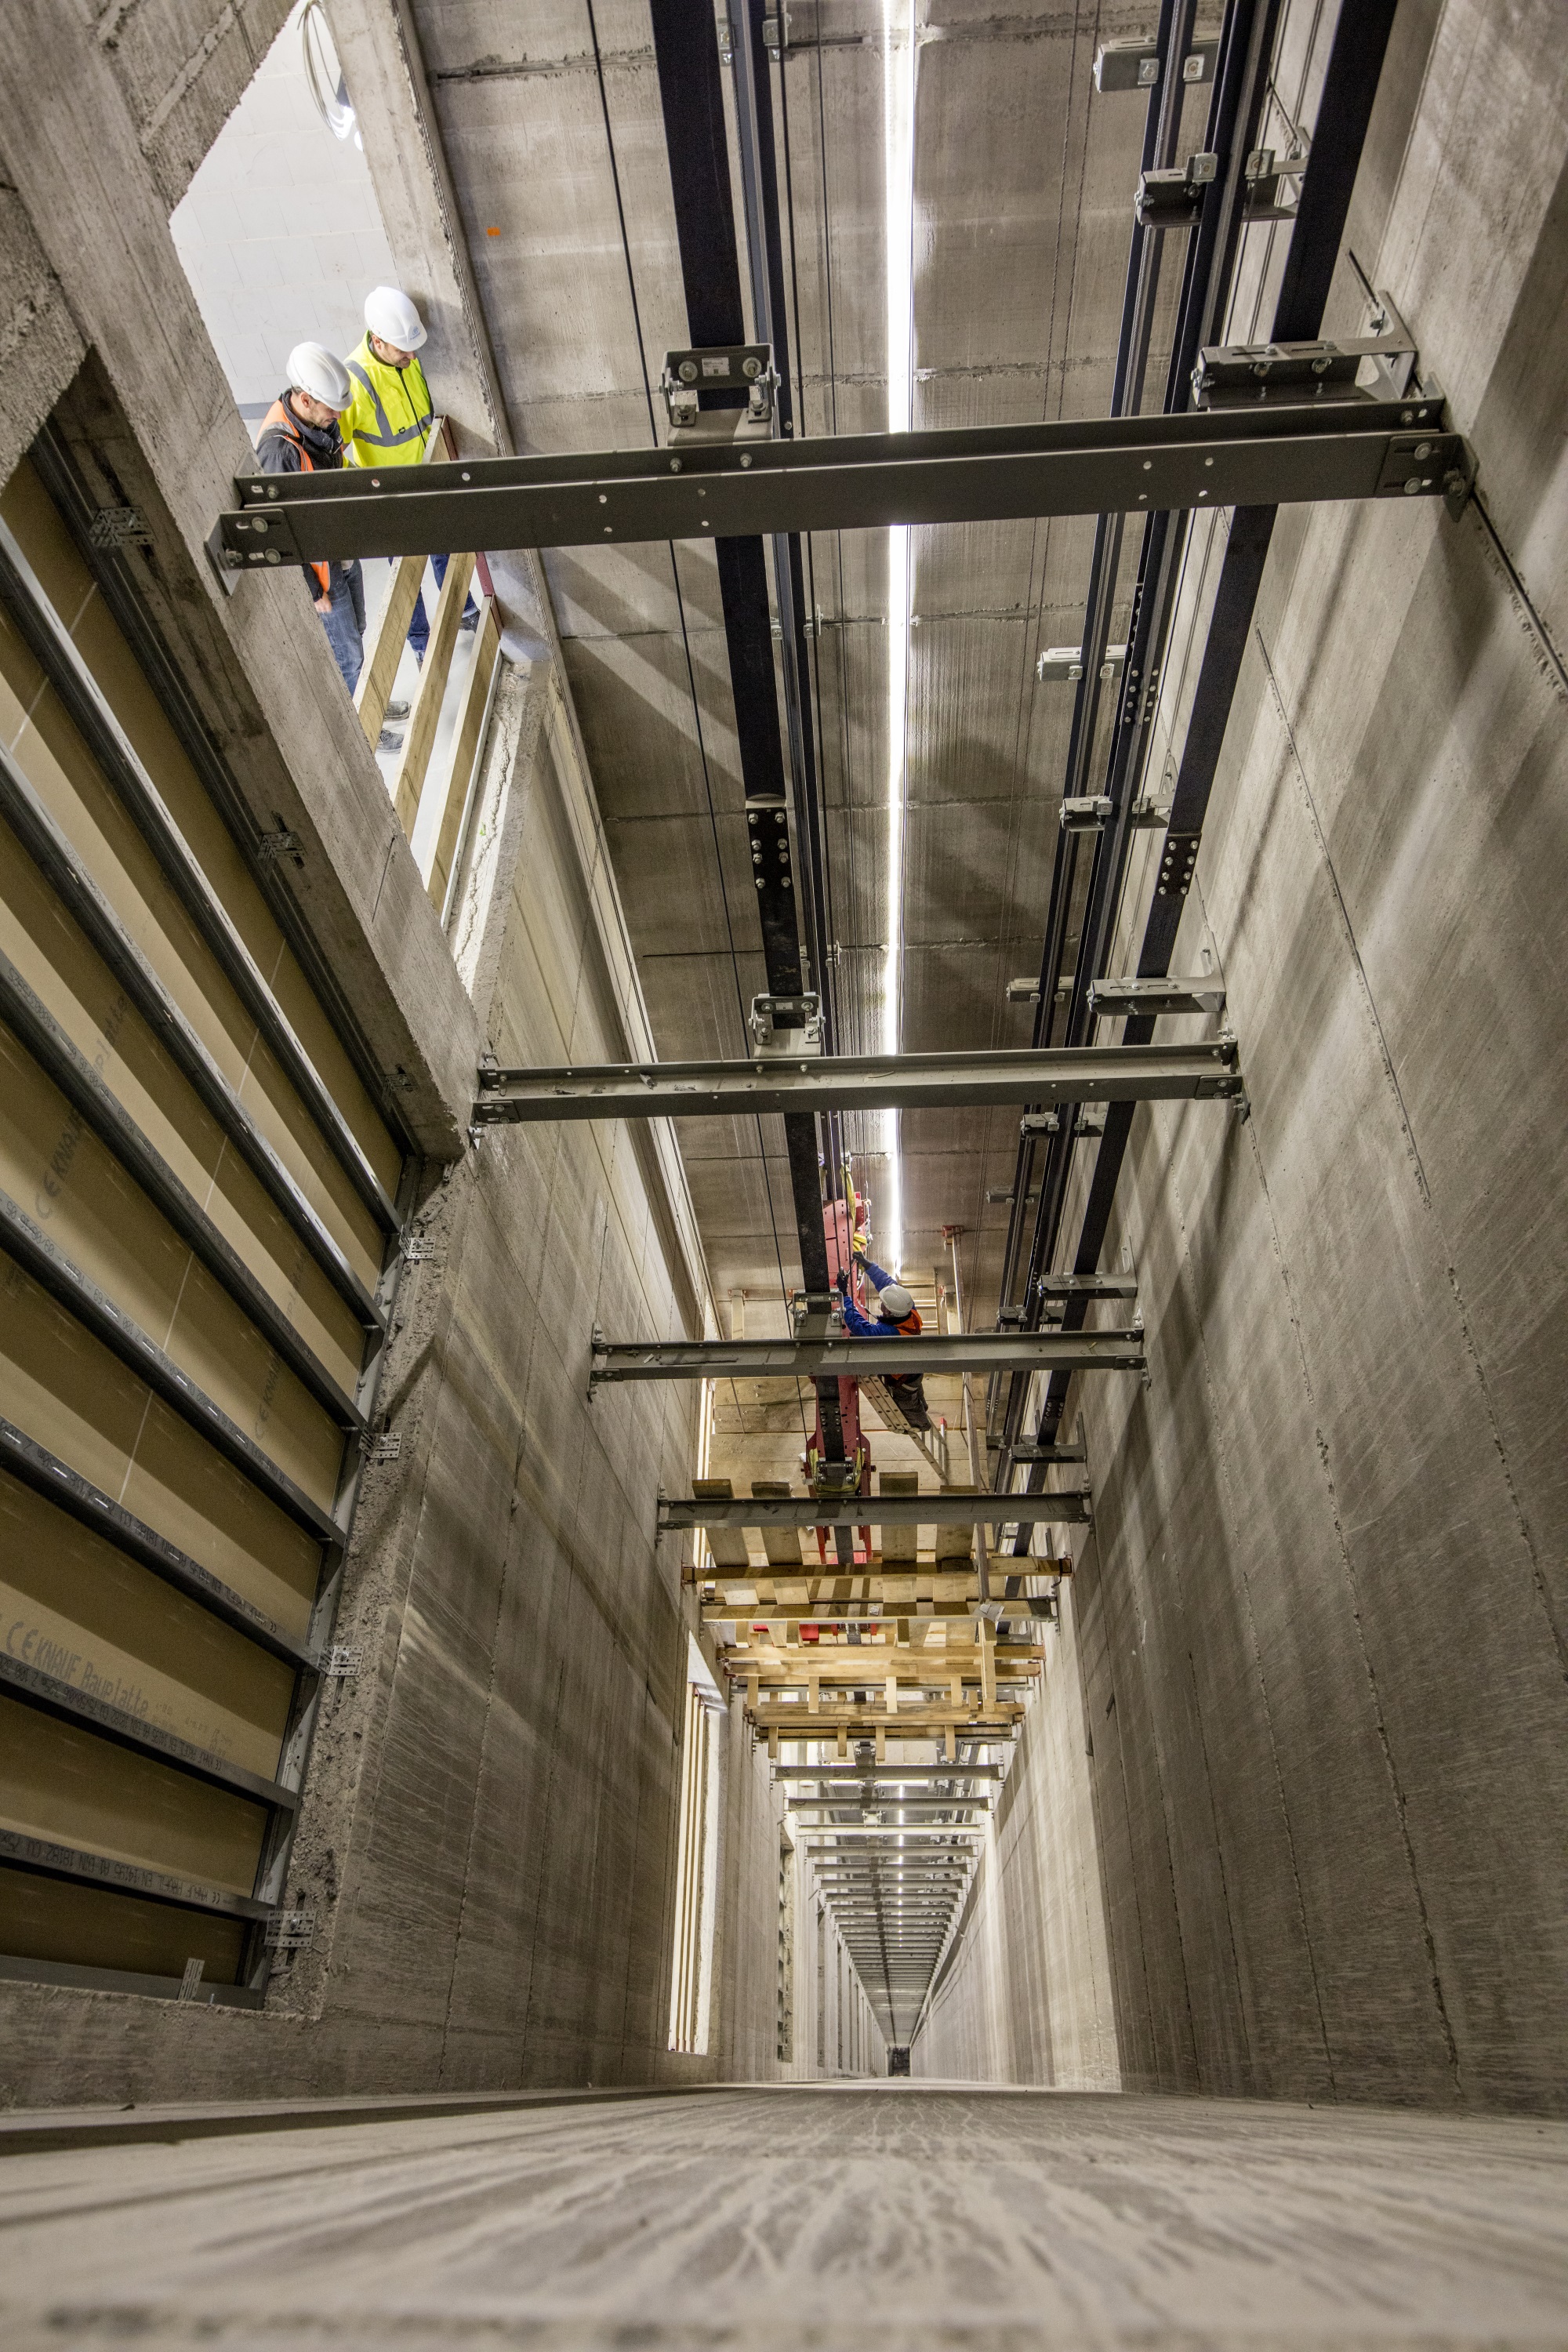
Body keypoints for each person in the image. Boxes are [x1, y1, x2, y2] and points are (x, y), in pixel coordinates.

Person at [256, 343, 402, 746]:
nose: (337, 417)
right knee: (348, 654)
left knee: (358, 629)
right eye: (329, 408)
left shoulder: (320, 426)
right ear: (304, 399)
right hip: (321, 570)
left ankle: (369, 700)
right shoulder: (279, 450)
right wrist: (312, 590)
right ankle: (364, 732)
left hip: (340, 550)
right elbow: (280, 529)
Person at [339, 285, 477, 663]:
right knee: (406, 578)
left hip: (427, 478)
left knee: (443, 546)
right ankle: (421, 645)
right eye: (403, 350)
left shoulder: (406, 357)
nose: (412, 356)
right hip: (390, 499)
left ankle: (463, 610)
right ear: (378, 341)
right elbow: (333, 453)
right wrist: (367, 488)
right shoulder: (355, 382)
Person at [836, 1255, 933, 1429]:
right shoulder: (908, 1309)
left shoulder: (890, 1332)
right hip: (913, 1372)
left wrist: (844, 1296)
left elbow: (859, 1327)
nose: (881, 1304)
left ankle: (921, 1425)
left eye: (883, 1304)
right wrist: (869, 1266)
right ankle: (922, 1407)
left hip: (904, 1383)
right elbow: (888, 1285)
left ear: (888, 1312)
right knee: (917, 1395)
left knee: (911, 1407)